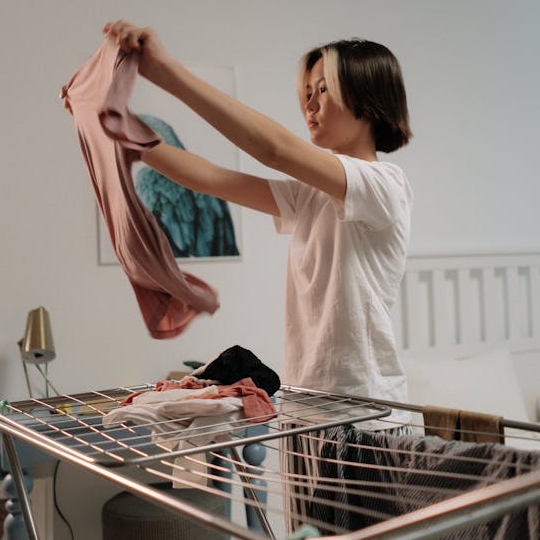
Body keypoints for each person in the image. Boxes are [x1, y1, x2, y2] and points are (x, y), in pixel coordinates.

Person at [102, 21, 414, 431]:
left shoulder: (384, 184)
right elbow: (209, 179)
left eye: (324, 89)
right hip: (307, 401)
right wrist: (117, 130)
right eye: (309, 92)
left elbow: (274, 149)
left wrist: (165, 71)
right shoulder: (310, 194)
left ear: (369, 100)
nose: (310, 104)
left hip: (365, 409)